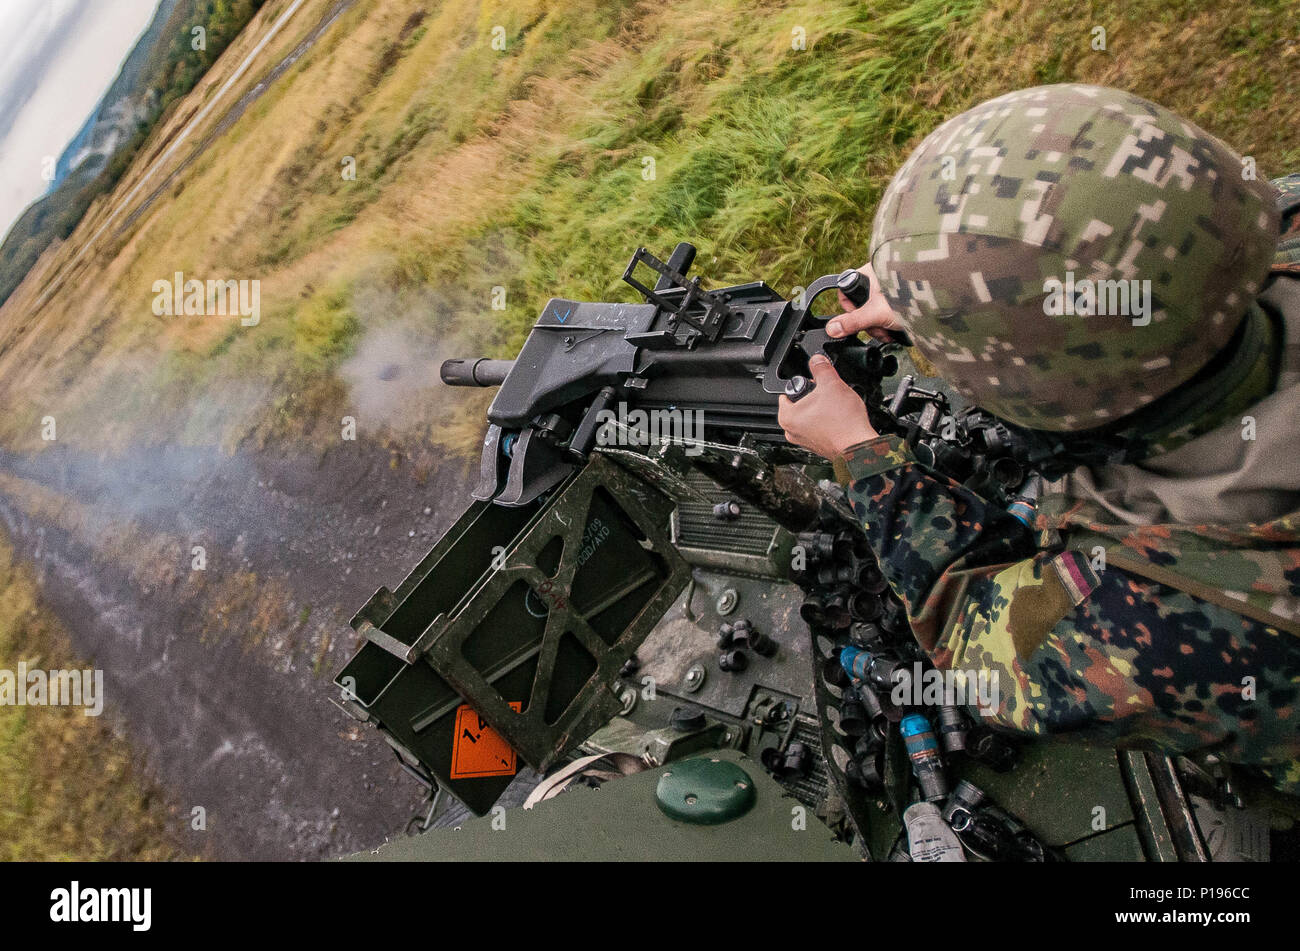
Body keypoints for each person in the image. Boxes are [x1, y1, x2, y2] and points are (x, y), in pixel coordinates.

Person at [778, 84, 1300, 791]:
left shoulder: (1171, 623)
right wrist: (956, 289)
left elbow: (980, 644)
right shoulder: (1238, 239)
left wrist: (865, 457)